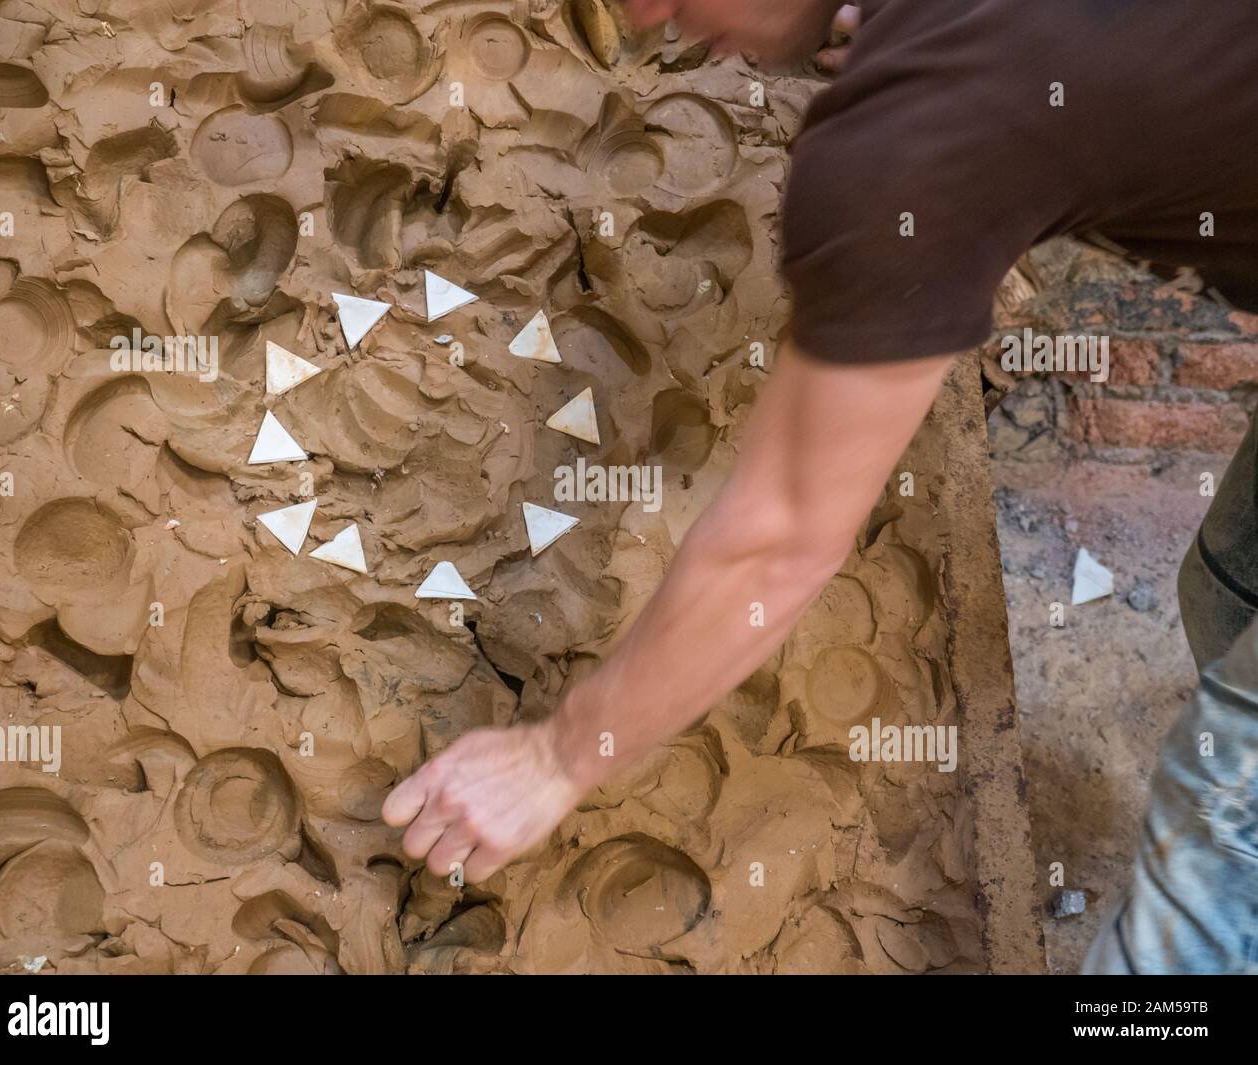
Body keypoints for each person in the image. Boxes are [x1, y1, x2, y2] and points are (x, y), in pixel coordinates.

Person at [384, 0, 1258, 974]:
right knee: (1229, 588)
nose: (638, 23)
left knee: (1222, 833)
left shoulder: (917, 133)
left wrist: (554, 760)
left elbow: (781, 539)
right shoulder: (951, 70)